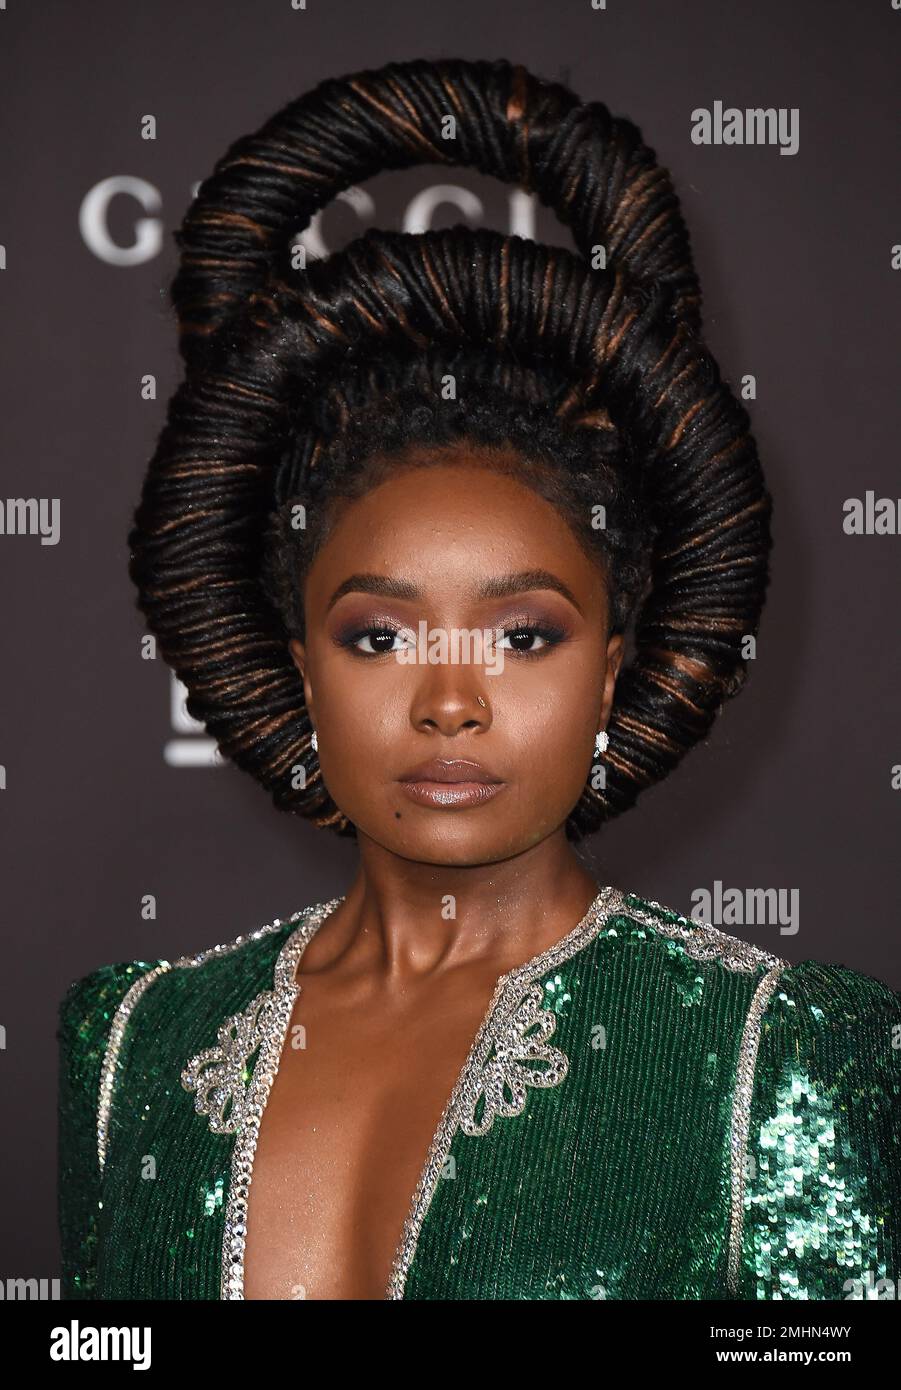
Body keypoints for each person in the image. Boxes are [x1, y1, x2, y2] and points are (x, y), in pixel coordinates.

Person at [57, 56, 901, 1301]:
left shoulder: (779, 1054)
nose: (449, 700)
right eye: (378, 636)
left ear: (612, 670)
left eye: (522, 635)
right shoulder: (128, 1044)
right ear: (299, 671)